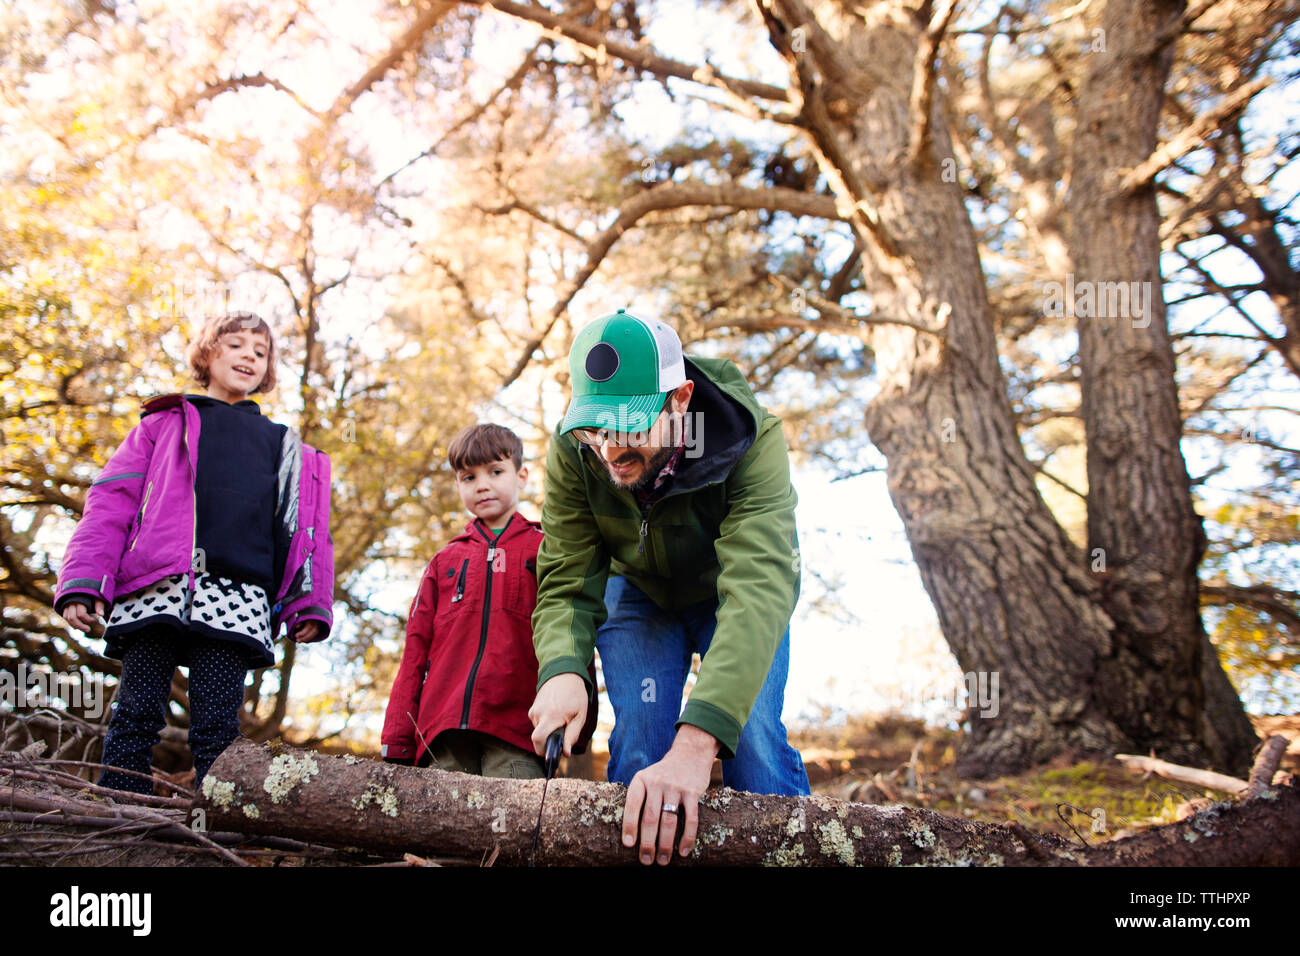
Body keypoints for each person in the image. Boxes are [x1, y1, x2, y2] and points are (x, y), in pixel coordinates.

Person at [528, 309, 810, 866]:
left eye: (628, 424)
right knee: (641, 747)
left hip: (728, 598)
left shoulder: (750, 437)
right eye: (593, 428)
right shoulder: (572, 449)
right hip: (635, 597)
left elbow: (758, 588)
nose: (609, 448)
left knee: (748, 739)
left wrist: (699, 742)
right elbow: (566, 569)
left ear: (680, 399)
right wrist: (562, 667)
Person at [55, 313, 334, 795]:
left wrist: (307, 601)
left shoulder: (283, 446)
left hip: (238, 594)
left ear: (267, 371)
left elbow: (309, 531)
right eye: (236, 345)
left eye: (261, 351)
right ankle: (120, 809)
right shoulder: (163, 423)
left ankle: (214, 829)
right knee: (136, 711)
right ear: (208, 354)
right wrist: (85, 579)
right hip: (156, 585)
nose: (249, 355)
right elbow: (111, 500)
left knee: (218, 726)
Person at [381, 424, 595, 777]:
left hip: (518, 731)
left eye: (495, 472)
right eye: (468, 477)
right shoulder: (443, 561)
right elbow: (415, 651)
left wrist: (577, 723)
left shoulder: (547, 549)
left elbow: (573, 627)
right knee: (440, 825)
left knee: (512, 824)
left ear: (521, 475)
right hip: (441, 732)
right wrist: (398, 738)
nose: (482, 484)